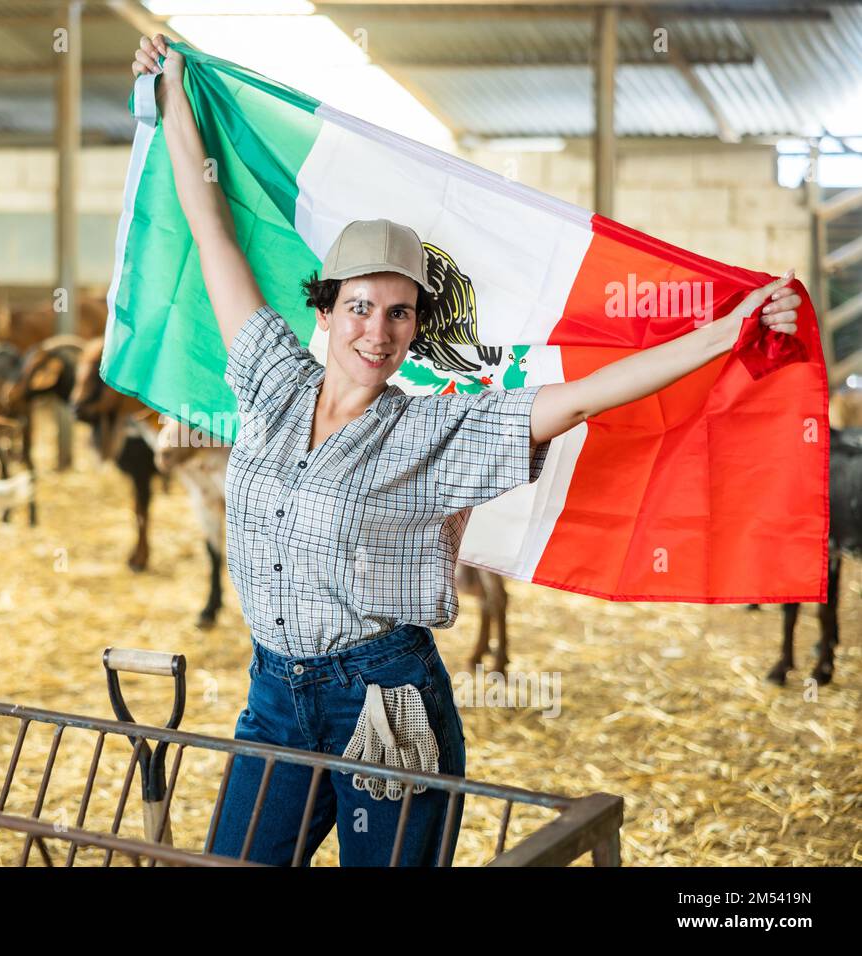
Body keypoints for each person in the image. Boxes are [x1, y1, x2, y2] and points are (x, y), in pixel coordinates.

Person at [130, 34, 802, 867]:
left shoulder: (430, 429)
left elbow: (585, 395)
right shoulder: (271, 380)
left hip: (385, 703)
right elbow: (212, 229)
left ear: (418, 327)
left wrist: (726, 334)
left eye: (401, 314)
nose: (378, 331)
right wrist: (173, 95)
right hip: (272, 695)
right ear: (328, 307)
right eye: (361, 307)